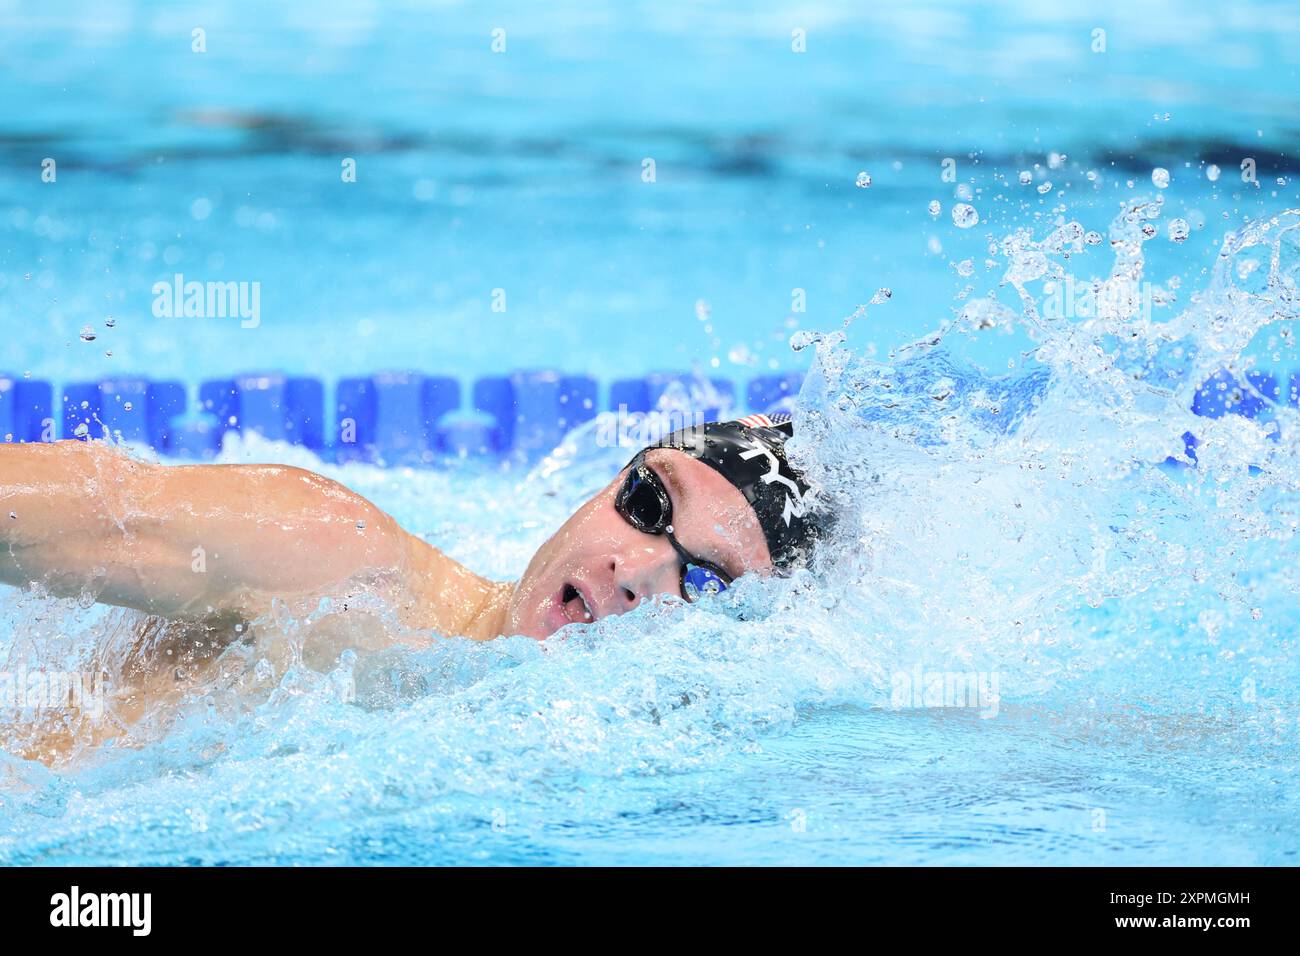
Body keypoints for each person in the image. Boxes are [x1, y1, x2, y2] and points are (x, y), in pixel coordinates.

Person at [0, 413, 820, 646]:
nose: (638, 567)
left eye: (706, 581)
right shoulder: (334, 558)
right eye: (647, 504)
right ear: (599, 487)